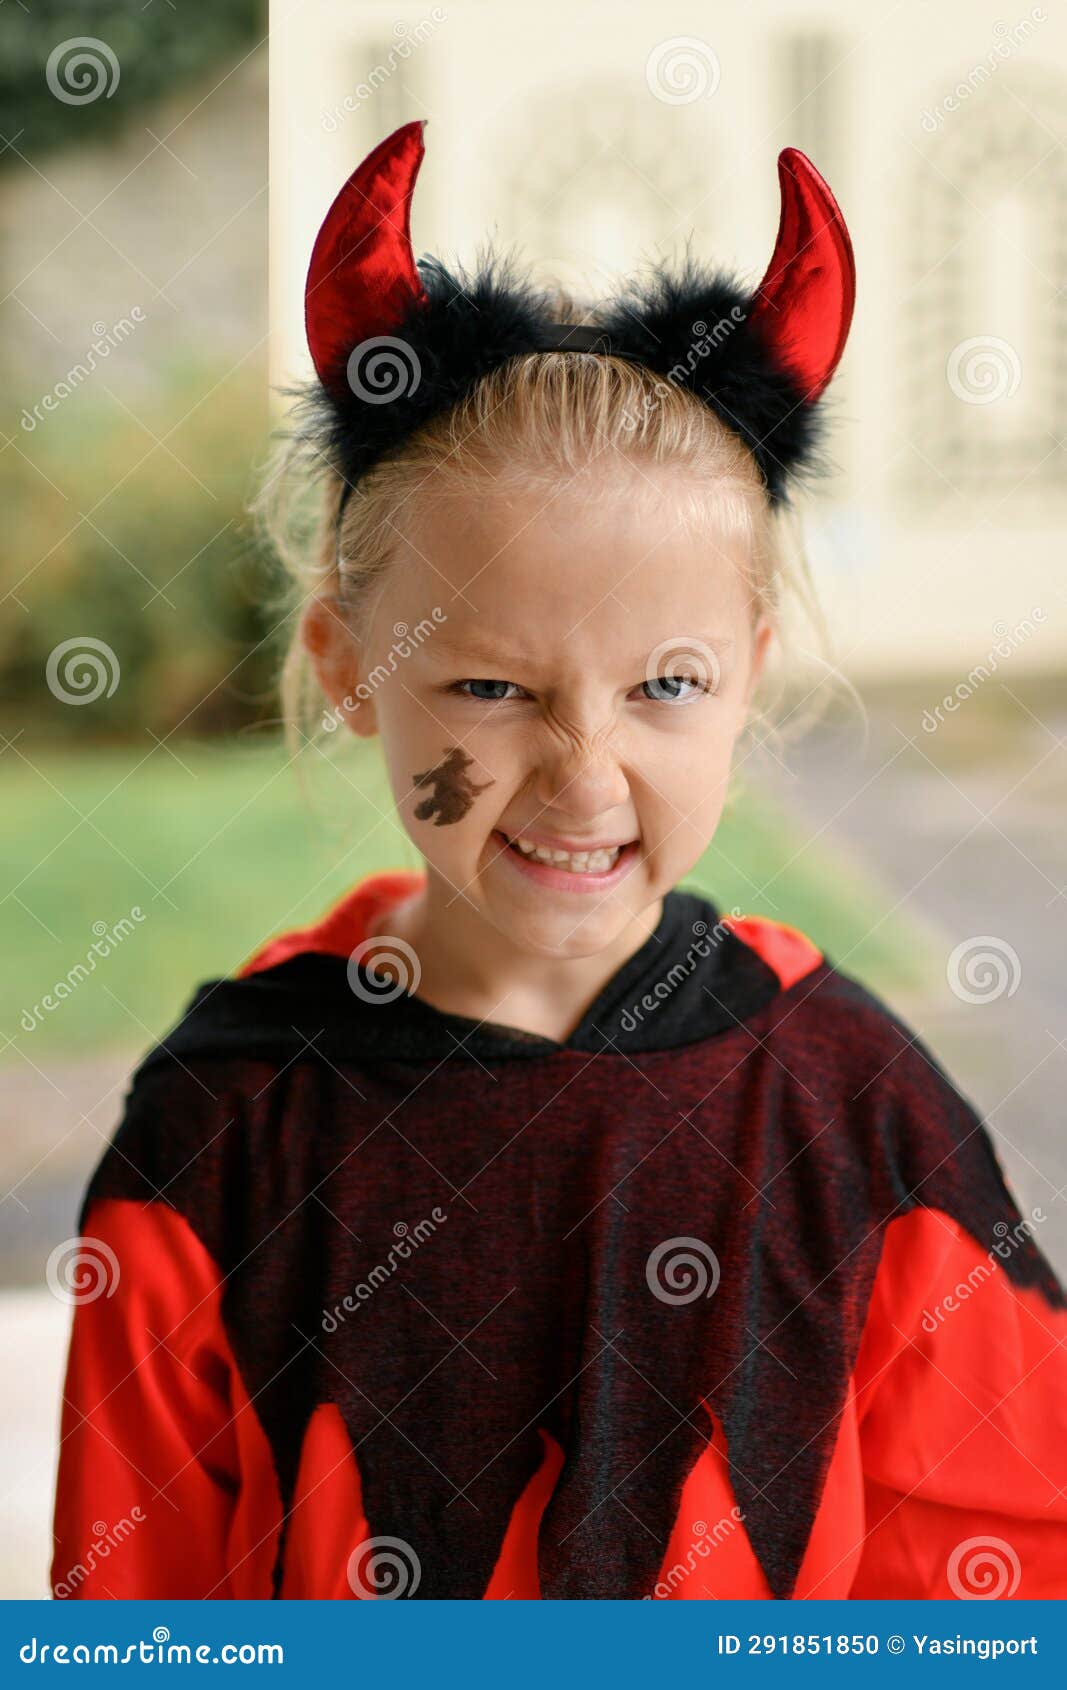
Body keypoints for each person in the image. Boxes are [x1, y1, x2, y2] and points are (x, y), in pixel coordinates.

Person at [51, 120, 1066, 1601]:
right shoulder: (221, 1127)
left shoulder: (860, 1108)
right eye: (490, 689)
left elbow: (1010, 1579)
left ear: (753, 672)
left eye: (665, 686)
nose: (585, 775)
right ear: (349, 664)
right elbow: (135, 1618)